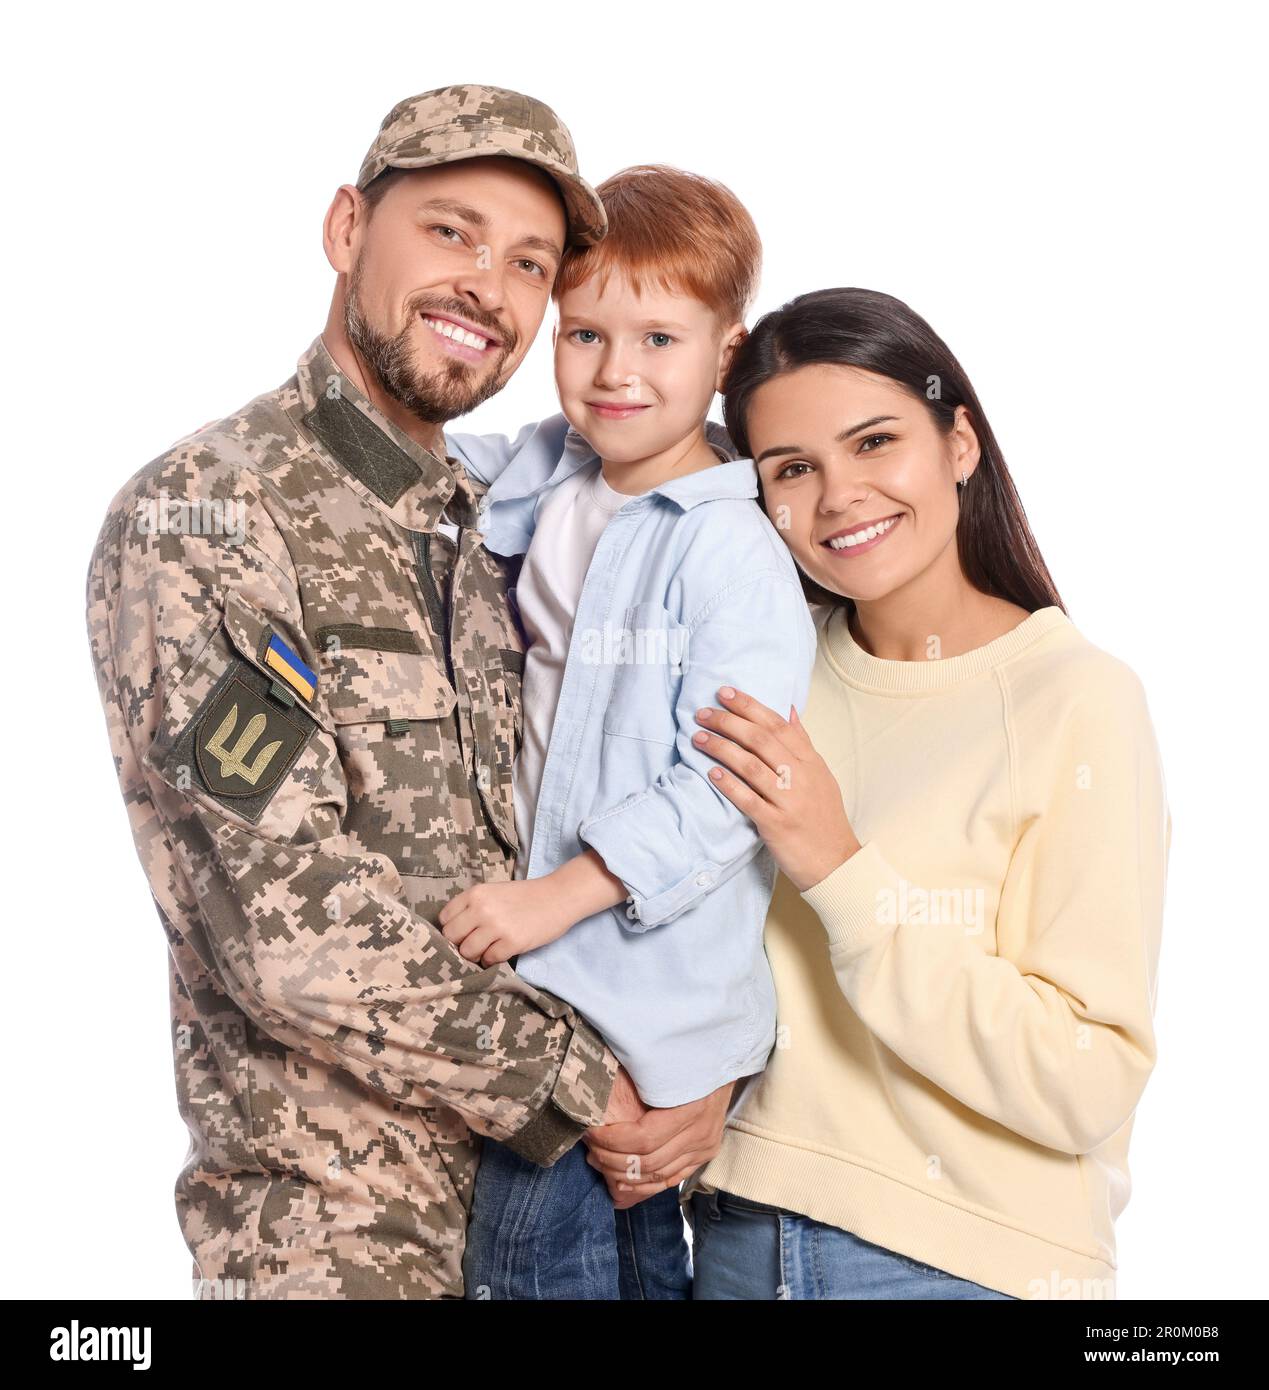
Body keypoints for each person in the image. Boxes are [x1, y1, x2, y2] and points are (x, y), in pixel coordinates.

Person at [84, 83, 652, 1301]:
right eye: (450, 231)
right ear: (348, 230)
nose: (486, 289)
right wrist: (587, 1084)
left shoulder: (491, 525)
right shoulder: (213, 513)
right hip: (338, 1247)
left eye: (528, 263)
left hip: (545, 1233)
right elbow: (287, 932)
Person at [594, 287, 1171, 1300]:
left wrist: (839, 865)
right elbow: (713, 959)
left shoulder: (1075, 698)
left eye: (874, 442)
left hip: (955, 1260)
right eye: (792, 469)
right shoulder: (762, 678)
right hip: (731, 1239)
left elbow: (1086, 1073)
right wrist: (706, 1092)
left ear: (959, 443)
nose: (839, 496)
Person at [442, 166, 818, 1300]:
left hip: (626, 1006)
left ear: (725, 351)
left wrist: (555, 895)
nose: (616, 374)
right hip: (556, 998)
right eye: (585, 333)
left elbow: (726, 785)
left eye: (659, 338)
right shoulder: (553, 469)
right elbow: (434, 464)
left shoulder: (729, 548)